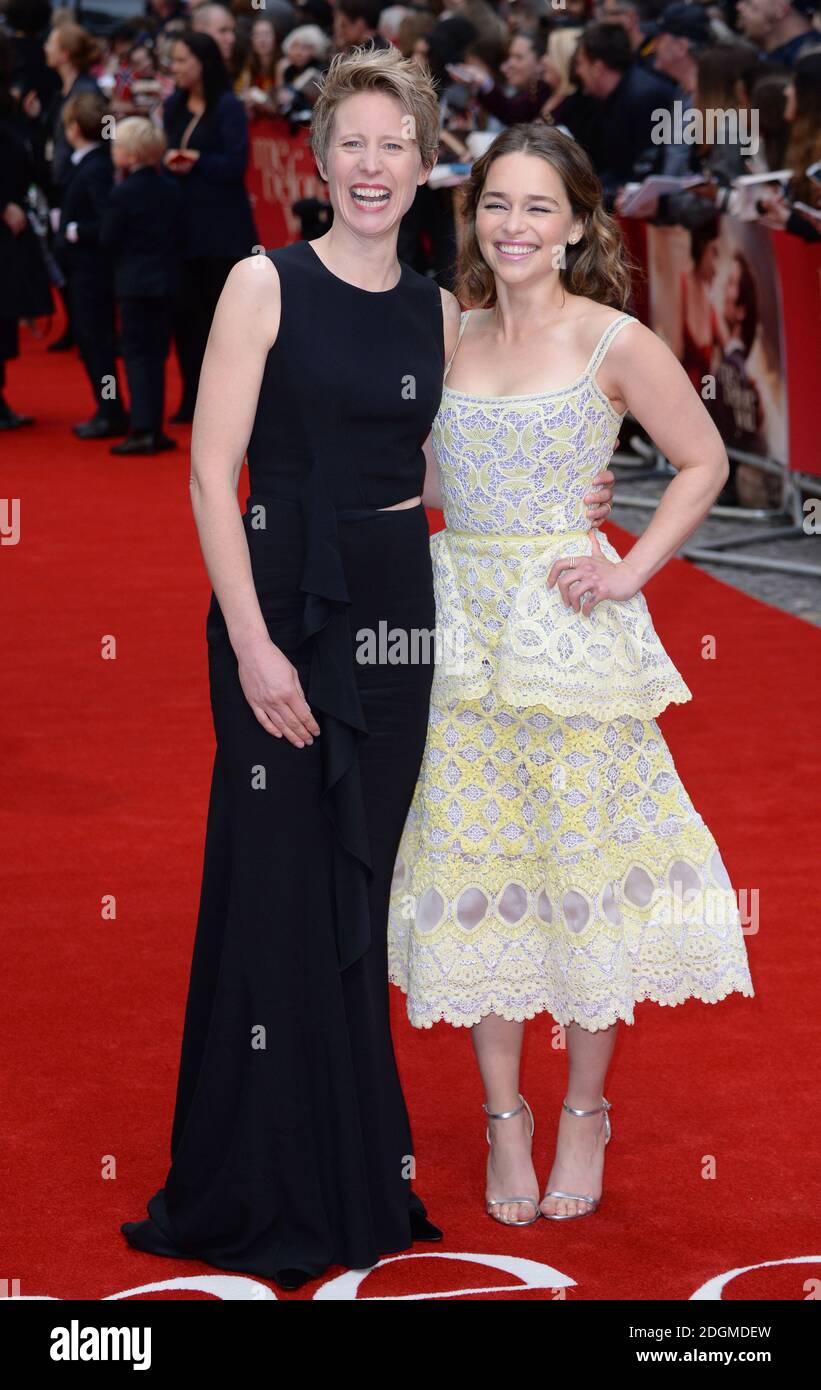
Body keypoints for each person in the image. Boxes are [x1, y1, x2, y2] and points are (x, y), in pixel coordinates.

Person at [119, 43, 619, 1293]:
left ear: (426, 158)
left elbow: (436, 470)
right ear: (322, 151)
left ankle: (355, 1166)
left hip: (400, 627)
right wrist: (250, 643)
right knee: (275, 882)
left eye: (397, 143)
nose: (372, 164)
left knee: (358, 887)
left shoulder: (435, 312)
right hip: (280, 604)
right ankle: (258, 1176)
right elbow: (206, 471)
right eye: (352, 140)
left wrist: (570, 490)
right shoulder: (260, 284)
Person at [388, 122, 754, 1227]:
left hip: (569, 641)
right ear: (472, 216)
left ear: (579, 223)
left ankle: (583, 1111)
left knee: (582, 870)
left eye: (537, 207)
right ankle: (504, 1118)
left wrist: (627, 565)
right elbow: (410, 466)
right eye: (495, 204)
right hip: (460, 635)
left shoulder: (614, 341)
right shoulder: (441, 330)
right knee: (481, 863)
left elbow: (703, 460)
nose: (512, 227)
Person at [162, 29, 258, 422]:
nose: (176, 67)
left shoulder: (227, 106)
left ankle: (228, 402)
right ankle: (190, 396)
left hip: (222, 230)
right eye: (173, 60)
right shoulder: (173, 105)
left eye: (183, 59)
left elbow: (236, 165)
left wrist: (195, 160)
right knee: (185, 317)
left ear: (203, 63)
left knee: (222, 322)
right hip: (180, 226)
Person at [100, 116, 184, 454]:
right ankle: (155, 429)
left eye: (117, 147)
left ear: (132, 155)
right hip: (166, 283)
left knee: (137, 356)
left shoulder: (121, 194)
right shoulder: (172, 190)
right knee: (158, 355)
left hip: (134, 285)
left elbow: (108, 239)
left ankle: (143, 428)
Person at [57, 91, 129, 440]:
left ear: (73, 127)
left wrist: (72, 230)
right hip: (84, 270)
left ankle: (111, 410)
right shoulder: (89, 162)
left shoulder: (96, 166)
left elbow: (106, 221)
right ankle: (108, 408)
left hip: (92, 272)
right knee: (92, 343)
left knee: (97, 344)